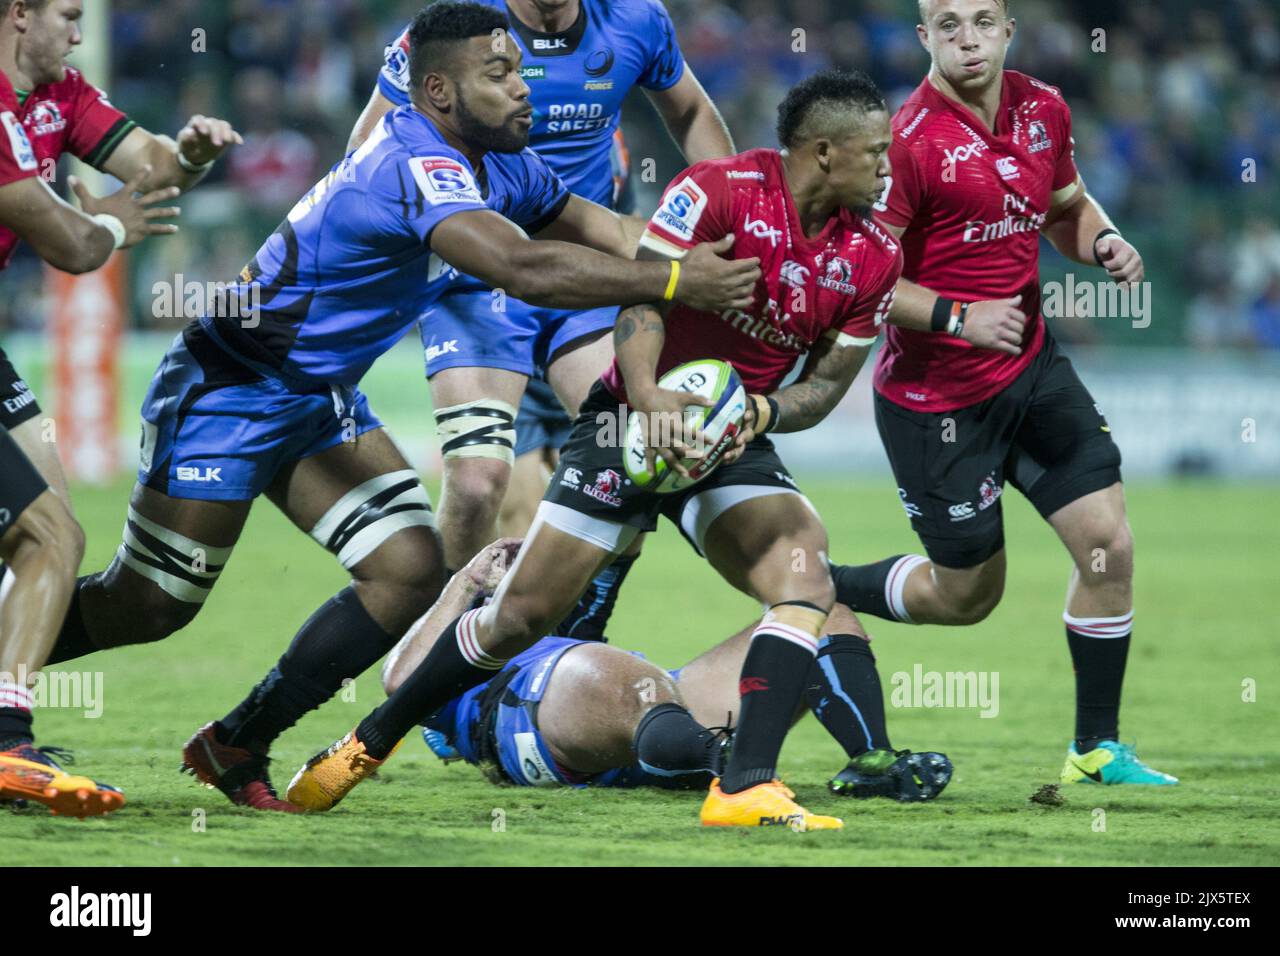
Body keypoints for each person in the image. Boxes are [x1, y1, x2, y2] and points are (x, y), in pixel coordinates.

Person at [41, 1, 757, 812]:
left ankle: (237, 739)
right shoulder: (415, 162)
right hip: (230, 387)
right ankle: (8, 682)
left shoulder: (505, 162)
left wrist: (720, 249)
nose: (528, 90)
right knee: (150, 606)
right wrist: (672, 282)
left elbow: (610, 228)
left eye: (520, 67)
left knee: (410, 572)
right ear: (441, 93)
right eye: (501, 74)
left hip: (314, 396)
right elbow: (521, 270)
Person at [289, 68, 904, 831]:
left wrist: (762, 410)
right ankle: (367, 743)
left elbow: (828, 385)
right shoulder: (715, 191)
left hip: (726, 437)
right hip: (628, 420)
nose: (889, 167)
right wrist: (648, 400)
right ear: (821, 153)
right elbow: (644, 297)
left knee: (804, 572)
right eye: (876, 153)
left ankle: (744, 784)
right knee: (517, 618)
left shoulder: (876, 256)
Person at [829, 0, 1176, 785]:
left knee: (1107, 542)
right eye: (948, 25)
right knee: (966, 598)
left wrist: (1106, 240)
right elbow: (861, 279)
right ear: (923, 37)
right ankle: (815, 586)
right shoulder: (904, 144)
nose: (968, 39)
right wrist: (957, 316)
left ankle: (1095, 749)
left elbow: (1065, 209)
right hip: (935, 401)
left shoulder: (1043, 109)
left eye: (983, 21)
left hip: (1031, 370)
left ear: (1009, 27)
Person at [351, 0, 736, 639]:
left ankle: (576, 638)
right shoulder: (458, 33)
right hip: (478, 282)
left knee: (629, 446)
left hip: (584, 275)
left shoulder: (637, 21)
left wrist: (725, 212)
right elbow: (367, 147)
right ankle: (431, 658)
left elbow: (690, 109)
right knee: (479, 485)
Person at [0, 0, 239, 815]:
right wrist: (105, 221)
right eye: (66, 14)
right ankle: (4, 742)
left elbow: (152, 166)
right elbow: (71, 245)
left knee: (49, 538)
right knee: (51, 536)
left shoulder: (60, 98)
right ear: (18, 13)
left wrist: (193, 159)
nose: (77, 31)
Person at [383, 540, 952, 803]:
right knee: (629, 679)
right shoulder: (462, 655)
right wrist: (463, 584)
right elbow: (398, 682)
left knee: (821, 615)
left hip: (638, 709)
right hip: (524, 720)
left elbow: (610, 559)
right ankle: (729, 766)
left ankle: (874, 763)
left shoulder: (547, 622)